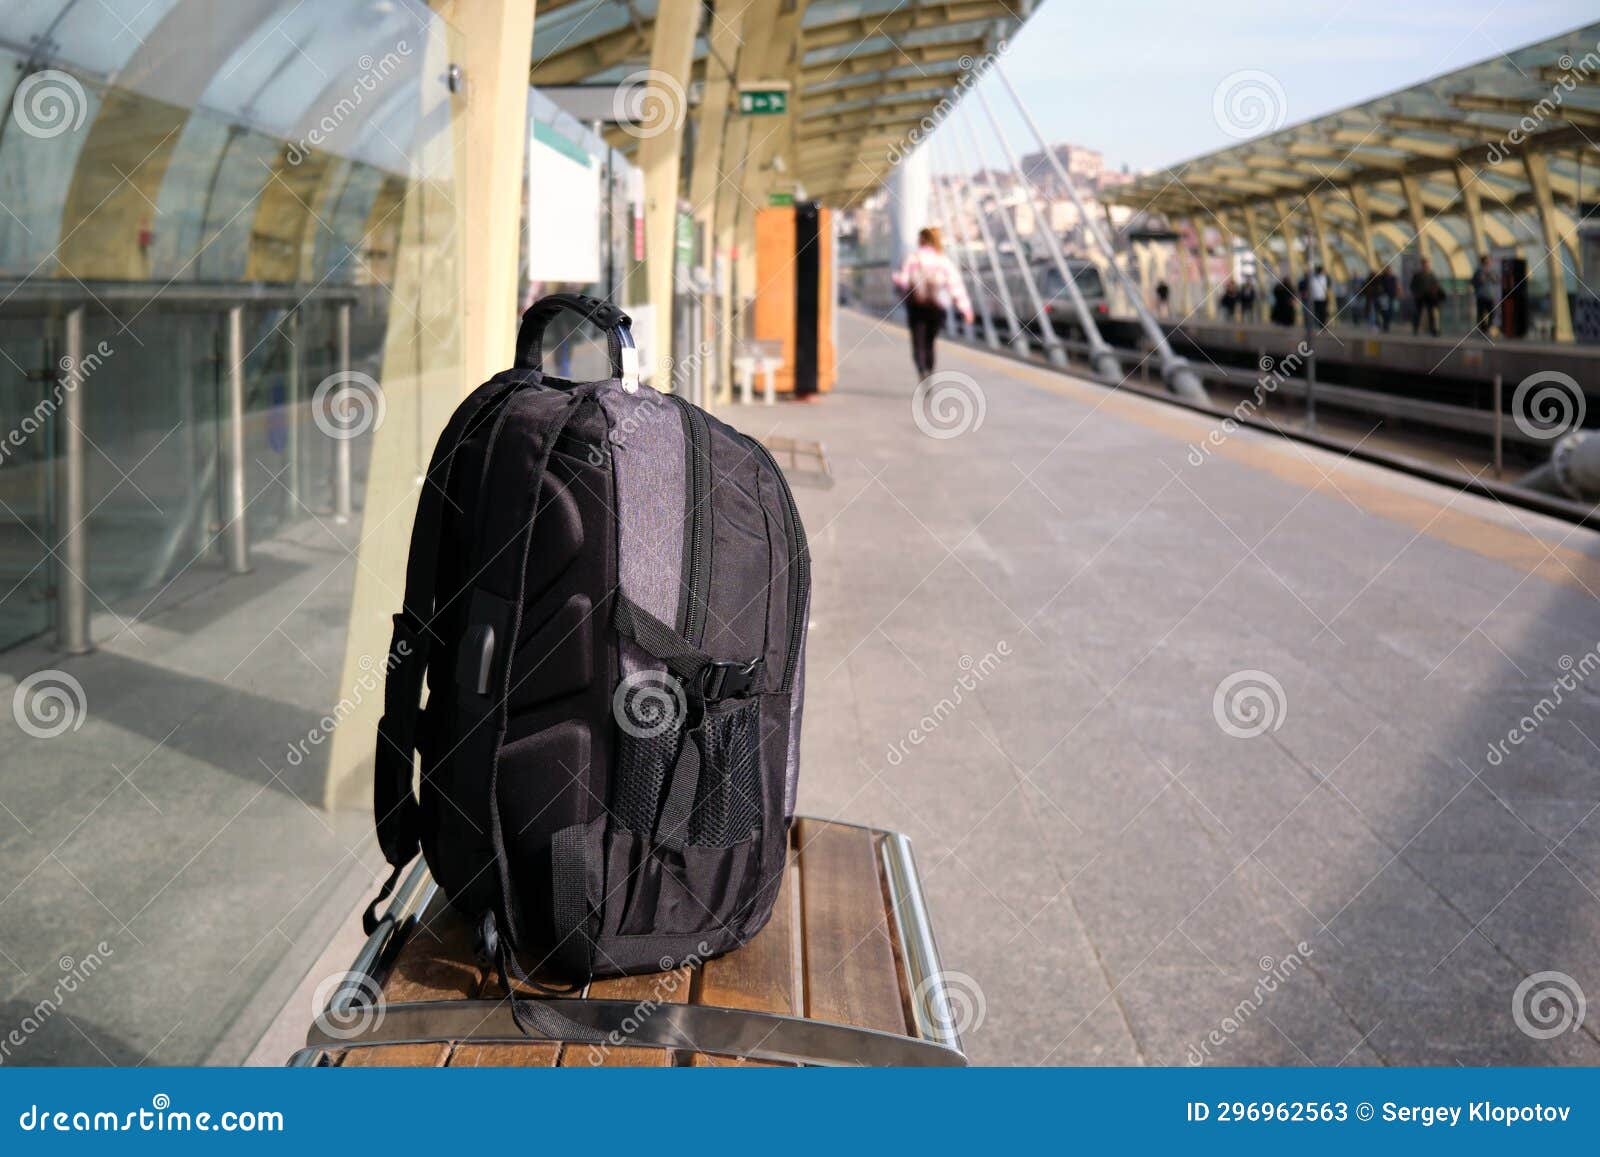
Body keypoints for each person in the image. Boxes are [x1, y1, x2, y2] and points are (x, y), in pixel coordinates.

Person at [892, 227, 973, 378]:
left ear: (921, 240)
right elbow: (955, 286)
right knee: (930, 341)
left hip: (916, 306)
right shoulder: (943, 261)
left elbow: (903, 281)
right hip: (937, 307)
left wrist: (899, 287)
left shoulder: (912, 258)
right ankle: (930, 369)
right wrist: (966, 309)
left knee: (918, 341)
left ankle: (922, 369)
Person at [1410, 258, 1443, 336]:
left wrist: (1435, 292)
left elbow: (1436, 285)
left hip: (1430, 297)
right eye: (1425, 264)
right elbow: (1412, 286)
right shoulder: (1417, 275)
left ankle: (1433, 330)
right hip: (1419, 297)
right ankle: (1416, 329)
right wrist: (1416, 293)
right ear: (1422, 265)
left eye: (1427, 264)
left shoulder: (1431, 275)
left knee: (1431, 313)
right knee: (1418, 313)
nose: (1426, 266)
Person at [1471, 254, 1497, 338]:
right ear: (1484, 262)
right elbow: (1474, 282)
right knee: (1481, 313)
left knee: (1492, 312)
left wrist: (1491, 276)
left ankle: (1488, 328)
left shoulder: (1491, 271)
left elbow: (1495, 280)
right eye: (1488, 261)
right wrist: (1480, 279)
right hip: (1481, 295)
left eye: (1489, 261)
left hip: (1490, 295)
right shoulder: (1478, 271)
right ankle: (1482, 329)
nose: (1489, 262)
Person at [1376, 264, 1398, 332]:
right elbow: (1378, 287)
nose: (1388, 270)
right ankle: (1385, 325)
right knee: (1384, 311)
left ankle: (1386, 324)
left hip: (1391, 296)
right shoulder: (1381, 277)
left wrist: (1397, 293)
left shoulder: (1393, 277)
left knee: (1391, 311)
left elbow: (1396, 286)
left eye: (1389, 269)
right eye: (1387, 269)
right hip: (1384, 297)